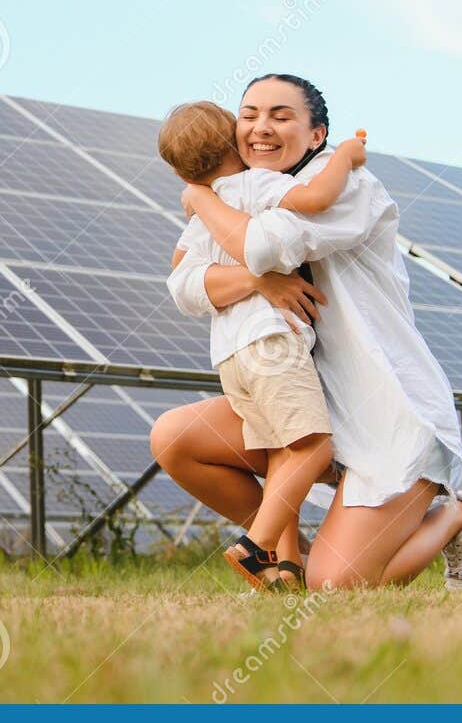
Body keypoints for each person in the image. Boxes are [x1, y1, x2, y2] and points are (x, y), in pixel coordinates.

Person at [151, 74, 462, 591]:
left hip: (385, 416)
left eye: (280, 115)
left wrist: (200, 200)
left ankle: (461, 516)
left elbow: (265, 247)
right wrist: (255, 281)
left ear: (316, 136)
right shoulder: (238, 195)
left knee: (335, 587)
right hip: (311, 402)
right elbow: (184, 285)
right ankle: (290, 561)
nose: (261, 127)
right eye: (249, 114)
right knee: (173, 439)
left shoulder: (346, 187)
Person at [156, 100, 366, 589]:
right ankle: (258, 546)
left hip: (231, 355)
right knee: (312, 449)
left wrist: (200, 199)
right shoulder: (254, 184)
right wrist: (347, 155)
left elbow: (178, 264)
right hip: (271, 344)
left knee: (279, 450)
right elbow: (314, 198)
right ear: (234, 141)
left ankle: (287, 567)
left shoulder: (207, 210)